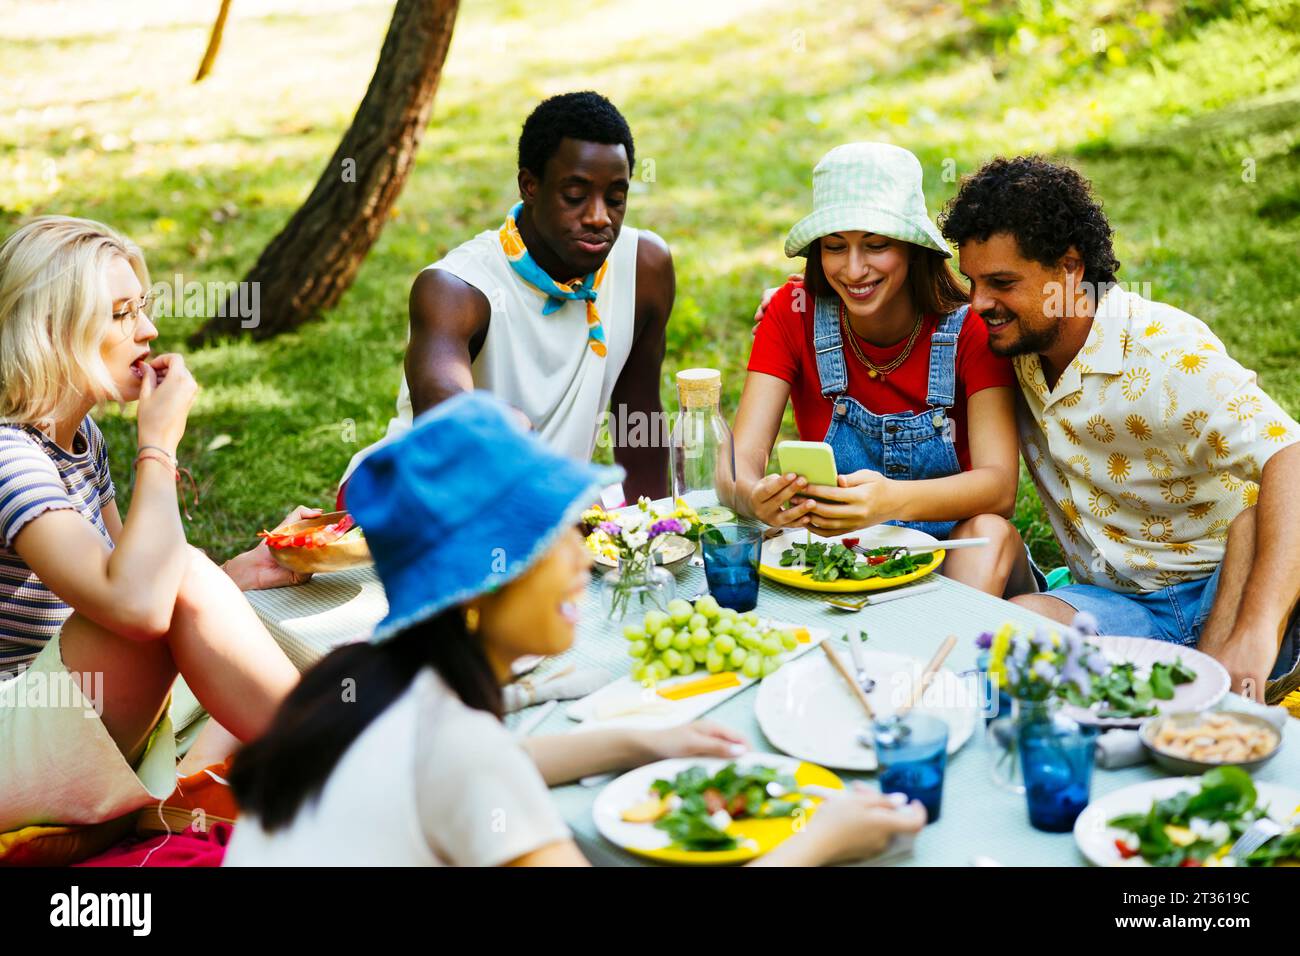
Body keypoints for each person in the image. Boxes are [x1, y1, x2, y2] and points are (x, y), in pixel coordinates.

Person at [226, 392, 926, 866]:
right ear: (477, 588)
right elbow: (472, 771)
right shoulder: (460, 750)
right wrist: (818, 841)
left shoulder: (357, 680)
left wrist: (634, 741)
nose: (580, 558)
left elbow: (469, 773)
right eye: (554, 539)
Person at [939, 155, 1300, 703]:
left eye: (1002, 283)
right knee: (1010, 646)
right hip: (1116, 605)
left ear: (1069, 269)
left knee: (1252, 529)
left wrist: (1252, 631)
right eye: (972, 281)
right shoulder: (1010, 351)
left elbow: (1291, 455)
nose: (979, 302)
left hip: (1222, 587)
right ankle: (1199, 685)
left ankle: (1248, 664)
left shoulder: (1163, 353)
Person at [0, 216, 310, 832]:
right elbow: (138, 608)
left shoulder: (79, 438)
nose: (149, 330)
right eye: (121, 313)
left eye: (141, 308)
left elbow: (127, 574)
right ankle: (359, 767)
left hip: (71, 700)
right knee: (223, 644)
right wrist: (159, 445)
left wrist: (230, 579)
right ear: (55, 331)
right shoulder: (9, 456)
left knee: (258, 653)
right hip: (18, 727)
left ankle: (179, 794)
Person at [339, 91, 674, 505]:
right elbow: (448, 427)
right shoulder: (457, 288)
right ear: (529, 186)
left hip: (547, 505)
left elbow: (637, 417)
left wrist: (657, 533)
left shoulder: (644, 269)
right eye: (575, 196)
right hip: (420, 503)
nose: (599, 216)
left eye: (616, 197)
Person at [735, 143, 1034, 597]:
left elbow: (999, 488)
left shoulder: (969, 328)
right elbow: (738, 462)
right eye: (835, 247)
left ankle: (941, 659)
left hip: (956, 555)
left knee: (989, 531)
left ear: (913, 249)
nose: (854, 270)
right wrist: (752, 496)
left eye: (876, 246)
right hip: (842, 554)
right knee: (756, 541)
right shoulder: (792, 313)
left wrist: (888, 500)